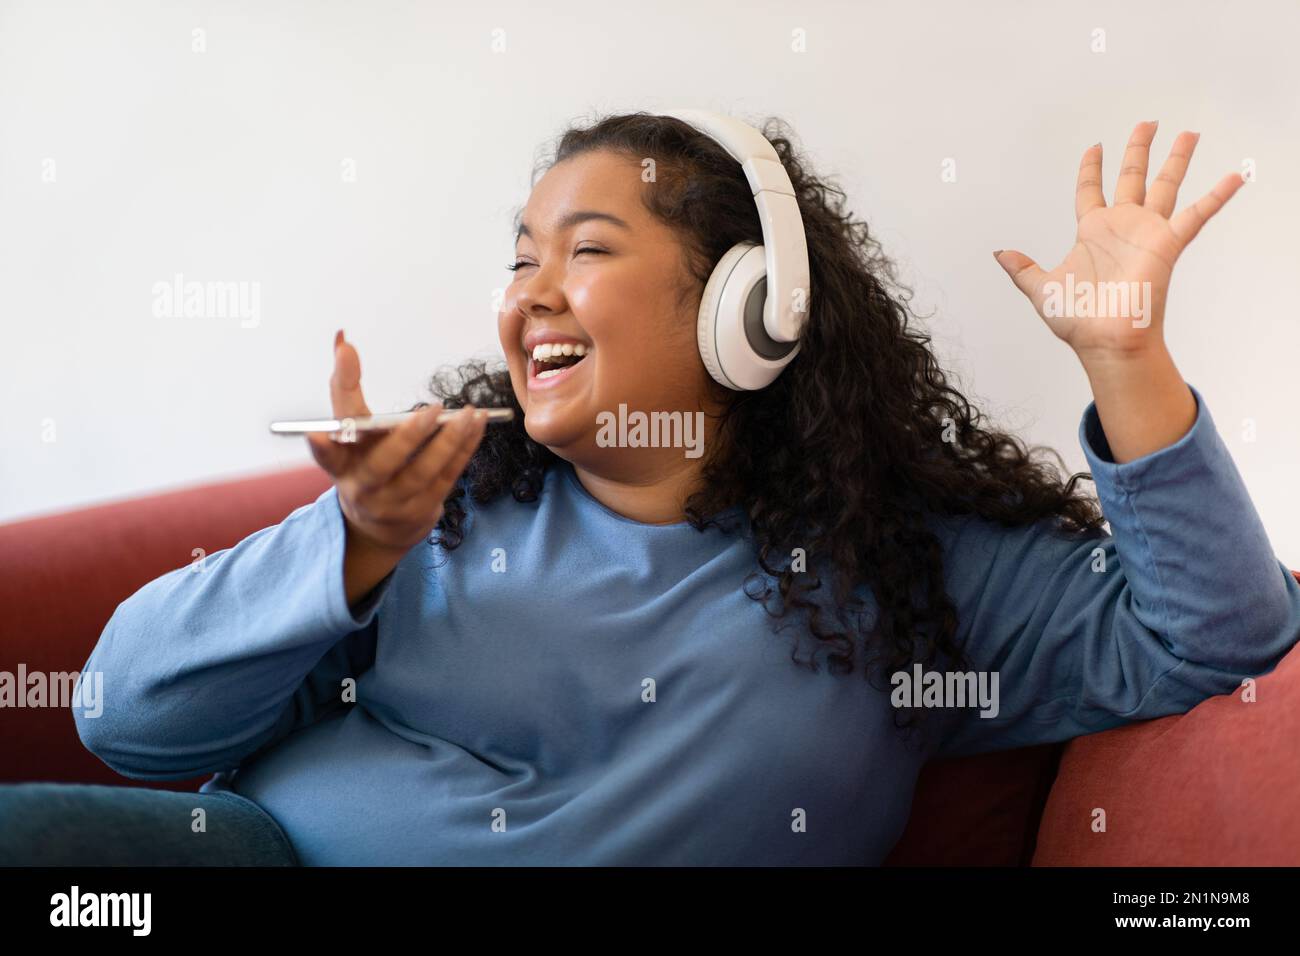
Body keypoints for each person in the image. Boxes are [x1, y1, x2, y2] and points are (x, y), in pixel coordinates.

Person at [4, 111, 1298, 866]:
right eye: (519, 260)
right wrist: (349, 546)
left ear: (749, 308)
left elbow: (1220, 632)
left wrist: (1127, 357)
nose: (531, 292)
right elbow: (130, 724)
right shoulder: (432, 500)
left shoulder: (905, 576)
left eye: (586, 249)